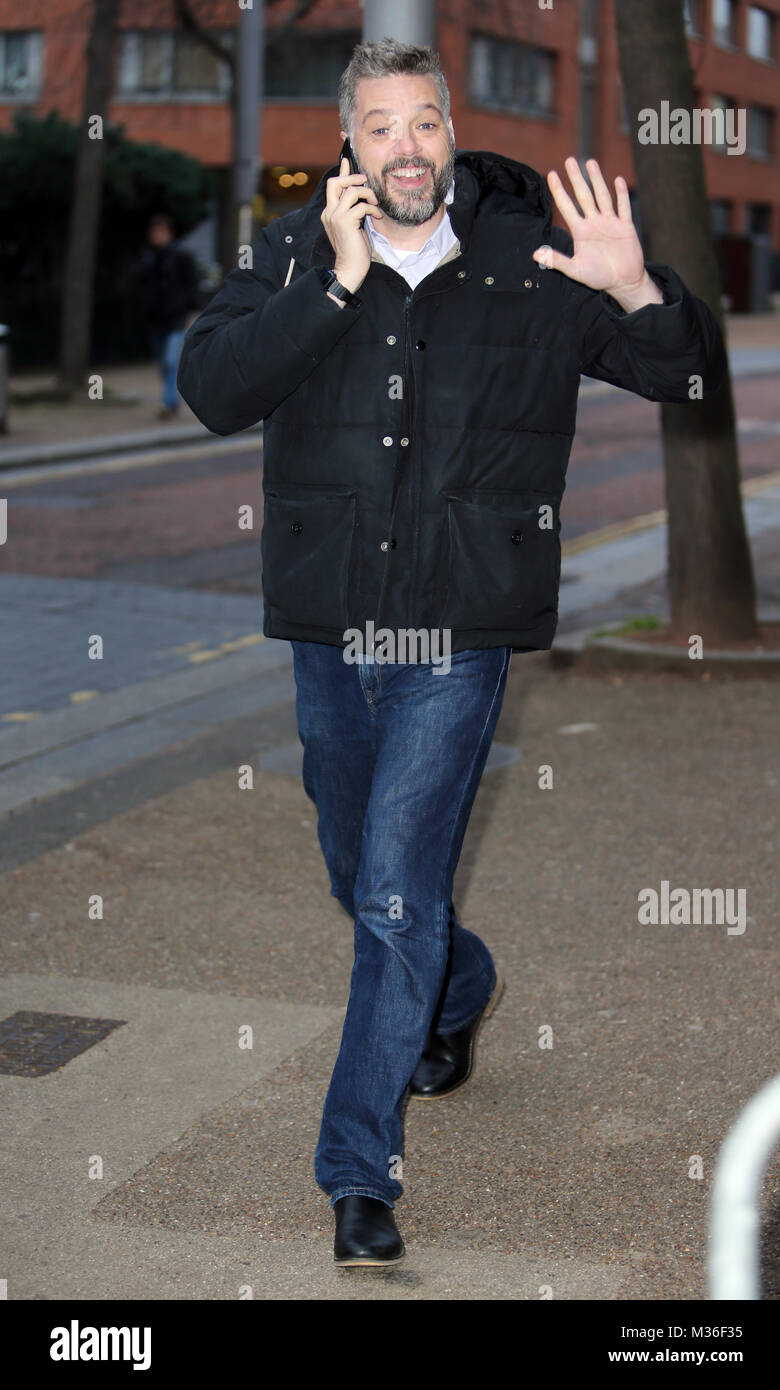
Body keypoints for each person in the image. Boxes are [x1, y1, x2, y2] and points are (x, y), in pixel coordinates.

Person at [176, 38, 727, 1268]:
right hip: (331, 626)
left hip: (458, 633)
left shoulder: (531, 250)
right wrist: (330, 282)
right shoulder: (293, 250)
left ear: (447, 127)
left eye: (424, 122)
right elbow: (208, 387)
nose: (407, 148)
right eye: (380, 127)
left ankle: (357, 1174)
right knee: (361, 878)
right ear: (348, 144)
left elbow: (687, 372)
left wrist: (637, 288)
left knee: (390, 896)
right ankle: (459, 988)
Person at [135, 213, 200, 419]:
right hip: (154, 319)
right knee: (164, 362)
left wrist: (186, 305)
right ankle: (170, 399)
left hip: (174, 318)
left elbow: (191, 283)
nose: (157, 236)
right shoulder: (147, 257)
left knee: (171, 360)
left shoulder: (180, 256)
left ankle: (169, 401)